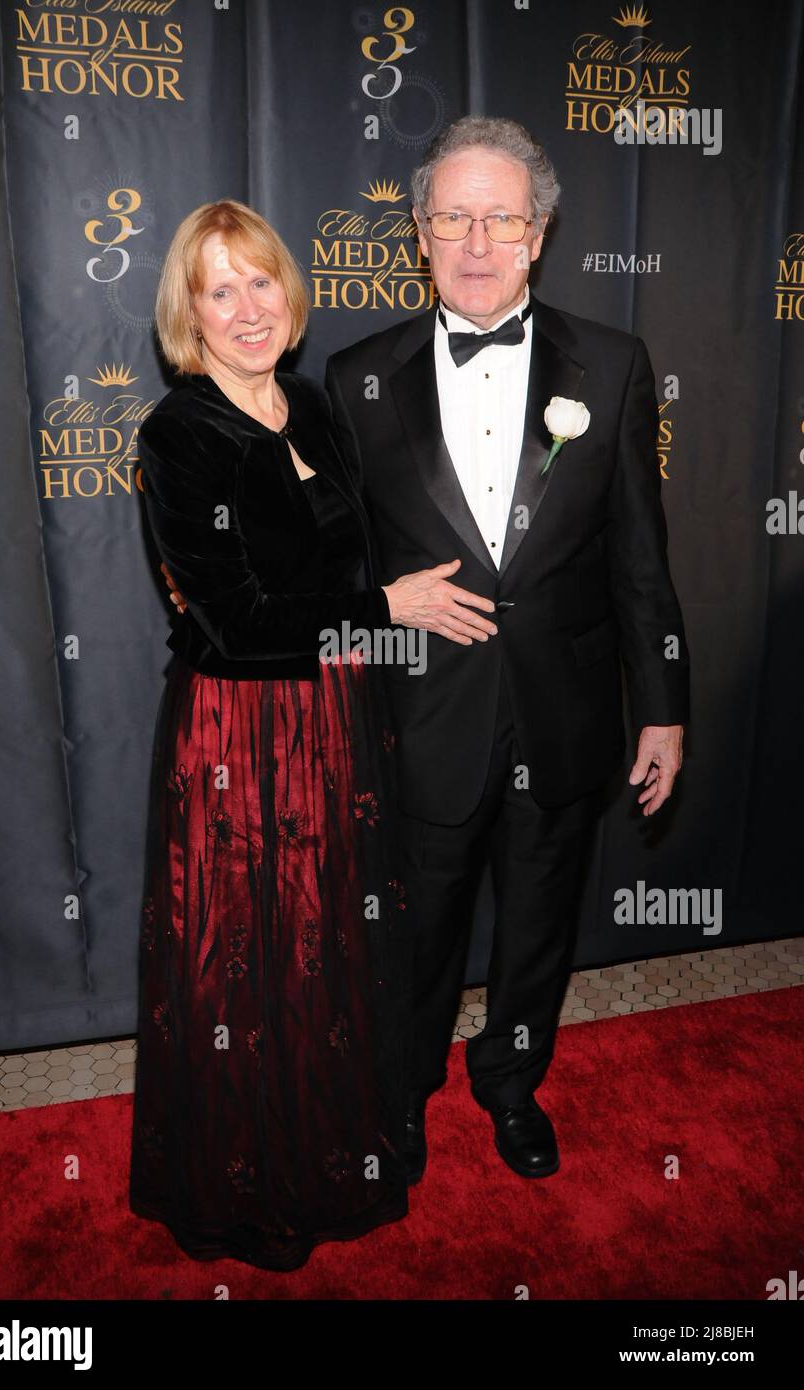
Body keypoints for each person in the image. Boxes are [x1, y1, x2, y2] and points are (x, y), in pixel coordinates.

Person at [322, 116, 691, 1183]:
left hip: (563, 710)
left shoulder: (613, 364)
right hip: (419, 720)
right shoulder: (356, 377)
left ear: (537, 234)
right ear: (417, 233)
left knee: (537, 930)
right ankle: (400, 1094)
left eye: (499, 218)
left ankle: (509, 1083)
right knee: (415, 935)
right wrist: (378, 600)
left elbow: (639, 558)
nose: (474, 242)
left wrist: (660, 704)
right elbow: (324, 571)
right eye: (450, 217)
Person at [129, 197, 495, 1270]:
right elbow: (231, 623)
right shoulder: (178, 436)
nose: (247, 309)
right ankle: (246, 1183)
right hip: (237, 737)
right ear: (188, 316)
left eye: (261, 282)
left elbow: (353, 561)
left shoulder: (314, 406)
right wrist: (388, 608)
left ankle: (334, 1149)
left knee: (327, 948)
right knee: (243, 962)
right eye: (219, 290)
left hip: (336, 719)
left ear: (290, 296)